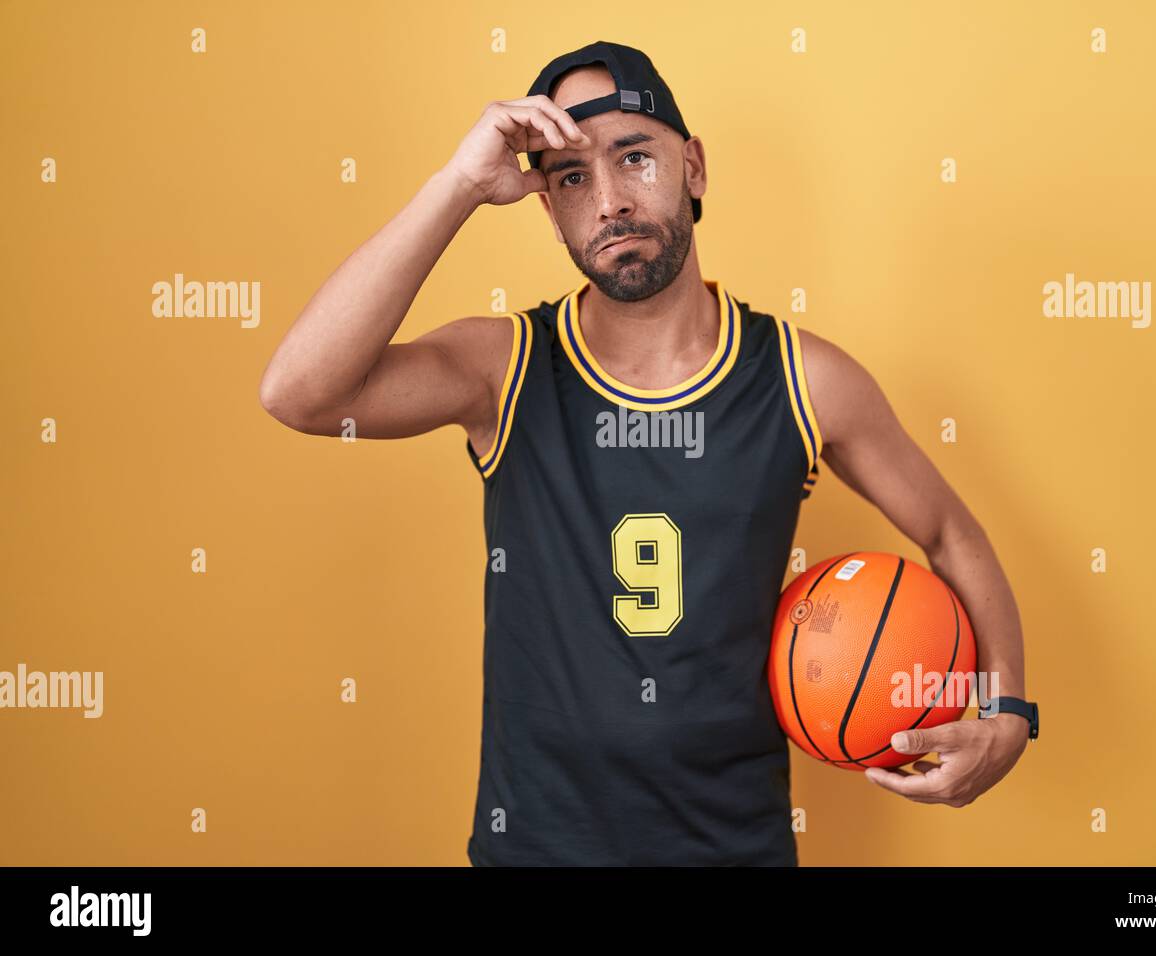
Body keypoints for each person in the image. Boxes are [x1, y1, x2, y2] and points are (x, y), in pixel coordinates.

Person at [258, 41, 1035, 866]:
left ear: (694, 167)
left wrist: (1009, 713)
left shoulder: (804, 379)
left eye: (635, 158)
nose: (609, 202)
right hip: (535, 852)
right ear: (547, 206)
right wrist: (455, 186)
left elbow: (953, 535)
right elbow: (302, 393)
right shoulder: (506, 367)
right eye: (570, 178)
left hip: (733, 848)